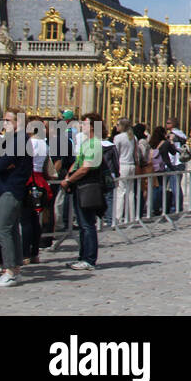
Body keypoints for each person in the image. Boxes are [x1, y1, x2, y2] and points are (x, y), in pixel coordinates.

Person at [60, 112, 105, 271]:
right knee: (82, 223)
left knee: (87, 224)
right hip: (80, 186)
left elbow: (86, 167)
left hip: (88, 186)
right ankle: (83, 256)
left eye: (85, 123)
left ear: (93, 127)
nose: (81, 126)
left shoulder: (94, 144)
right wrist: (68, 176)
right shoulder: (87, 142)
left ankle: (89, 259)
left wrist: (69, 180)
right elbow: (77, 163)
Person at [0, 108, 33, 286]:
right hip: (11, 187)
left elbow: (4, 162)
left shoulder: (19, 140)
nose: (4, 123)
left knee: (3, 229)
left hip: (11, 188)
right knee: (11, 229)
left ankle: (10, 270)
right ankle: (16, 268)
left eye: (7, 120)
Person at [22, 119, 56, 265]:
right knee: (35, 219)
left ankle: (25, 254)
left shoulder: (32, 143)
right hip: (40, 178)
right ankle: (34, 252)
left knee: (25, 220)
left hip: (30, 178)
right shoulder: (44, 143)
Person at [112, 117, 137, 225]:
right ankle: (131, 216)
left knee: (120, 192)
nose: (116, 126)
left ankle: (118, 216)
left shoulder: (118, 137)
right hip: (131, 164)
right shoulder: (133, 137)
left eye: (118, 125)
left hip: (122, 165)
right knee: (131, 192)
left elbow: (115, 153)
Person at [148, 127, 178, 216]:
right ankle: (160, 206)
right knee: (161, 187)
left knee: (154, 187)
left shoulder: (151, 142)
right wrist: (171, 141)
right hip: (162, 166)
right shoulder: (165, 143)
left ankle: (153, 207)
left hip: (152, 166)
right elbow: (173, 152)